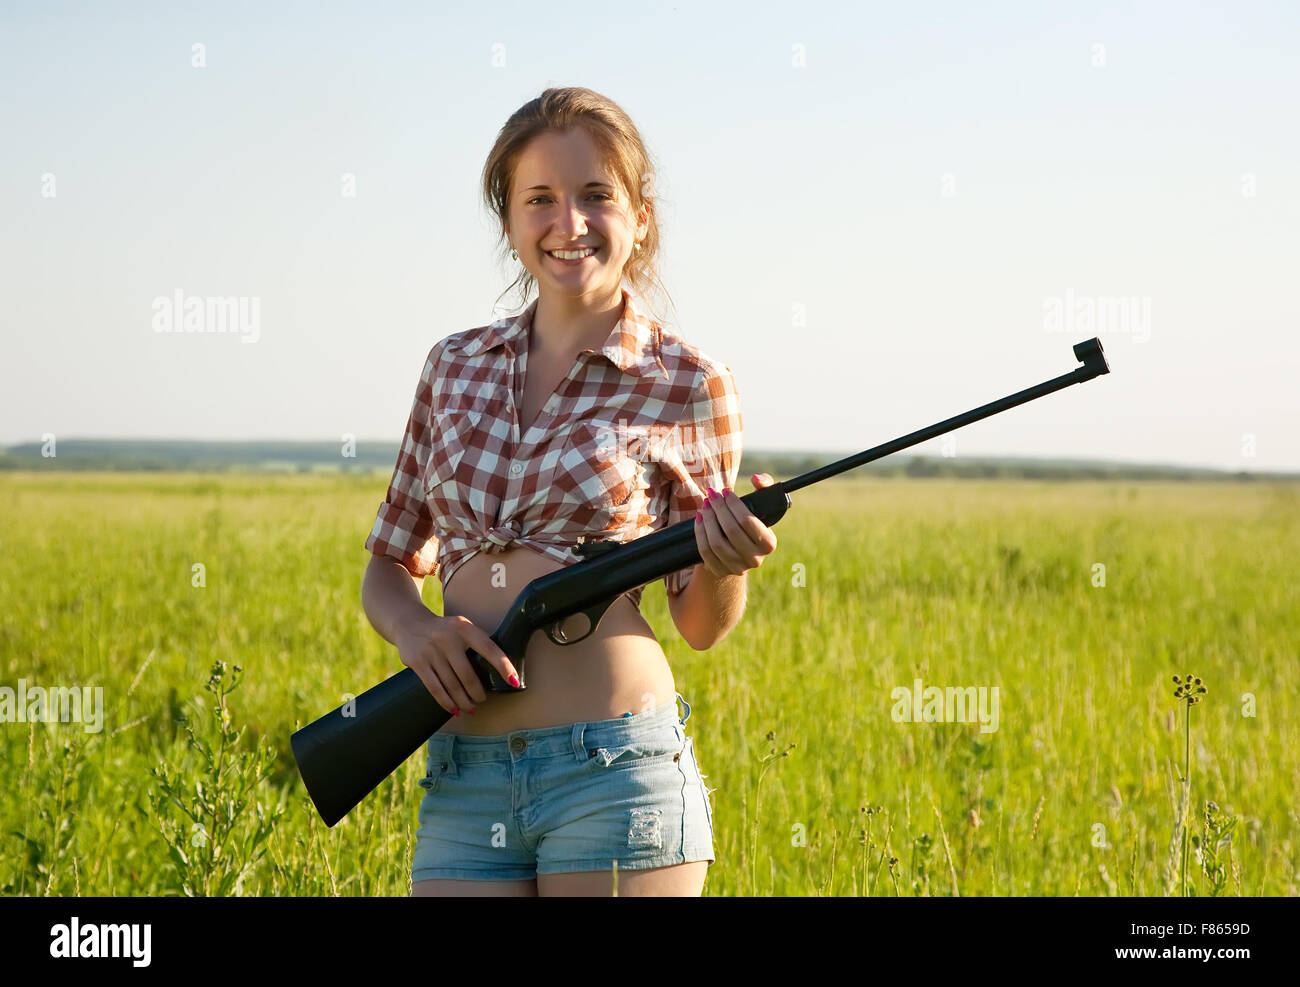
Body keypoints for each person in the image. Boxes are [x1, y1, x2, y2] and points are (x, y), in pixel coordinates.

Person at [361, 87, 777, 897]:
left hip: (613, 770)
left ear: (640, 215)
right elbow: (389, 561)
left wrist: (726, 565)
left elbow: (699, 624)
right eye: (540, 199)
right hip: (465, 774)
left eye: (597, 196)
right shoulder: (453, 366)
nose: (569, 223)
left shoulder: (689, 380)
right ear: (510, 219)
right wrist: (416, 629)